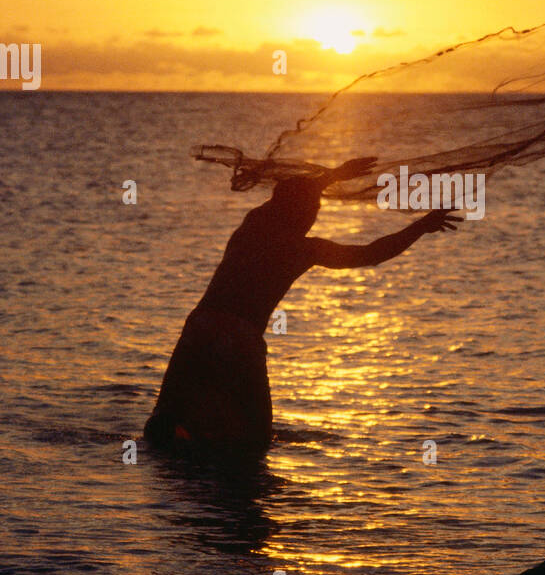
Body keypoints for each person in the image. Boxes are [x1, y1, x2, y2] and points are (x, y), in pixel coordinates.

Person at [144, 157, 461, 457]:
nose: (316, 214)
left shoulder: (251, 225)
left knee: (166, 419)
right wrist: (420, 226)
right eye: (314, 208)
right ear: (300, 212)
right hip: (239, 337)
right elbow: (371, 254)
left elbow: (292, 195)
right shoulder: (304, 249)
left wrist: (332, 176)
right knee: (254, 438)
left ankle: (167, 492)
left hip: (200, 326)